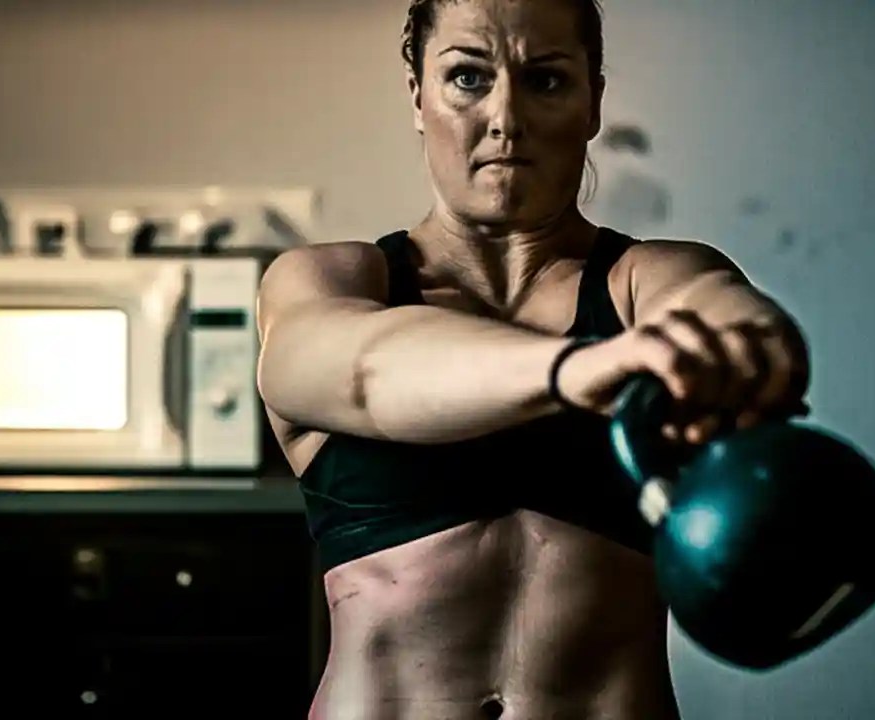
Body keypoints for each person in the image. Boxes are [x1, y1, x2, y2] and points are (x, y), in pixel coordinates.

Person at [256, 0, 811, 717]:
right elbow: (358, 370)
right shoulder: (329, 282)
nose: (506, 117)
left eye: (546, 81)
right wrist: (573, 369)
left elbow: (739, 324)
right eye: (467, 77)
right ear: (417, 96)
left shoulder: (646, 284)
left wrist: (747, 354)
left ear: (594, 102)